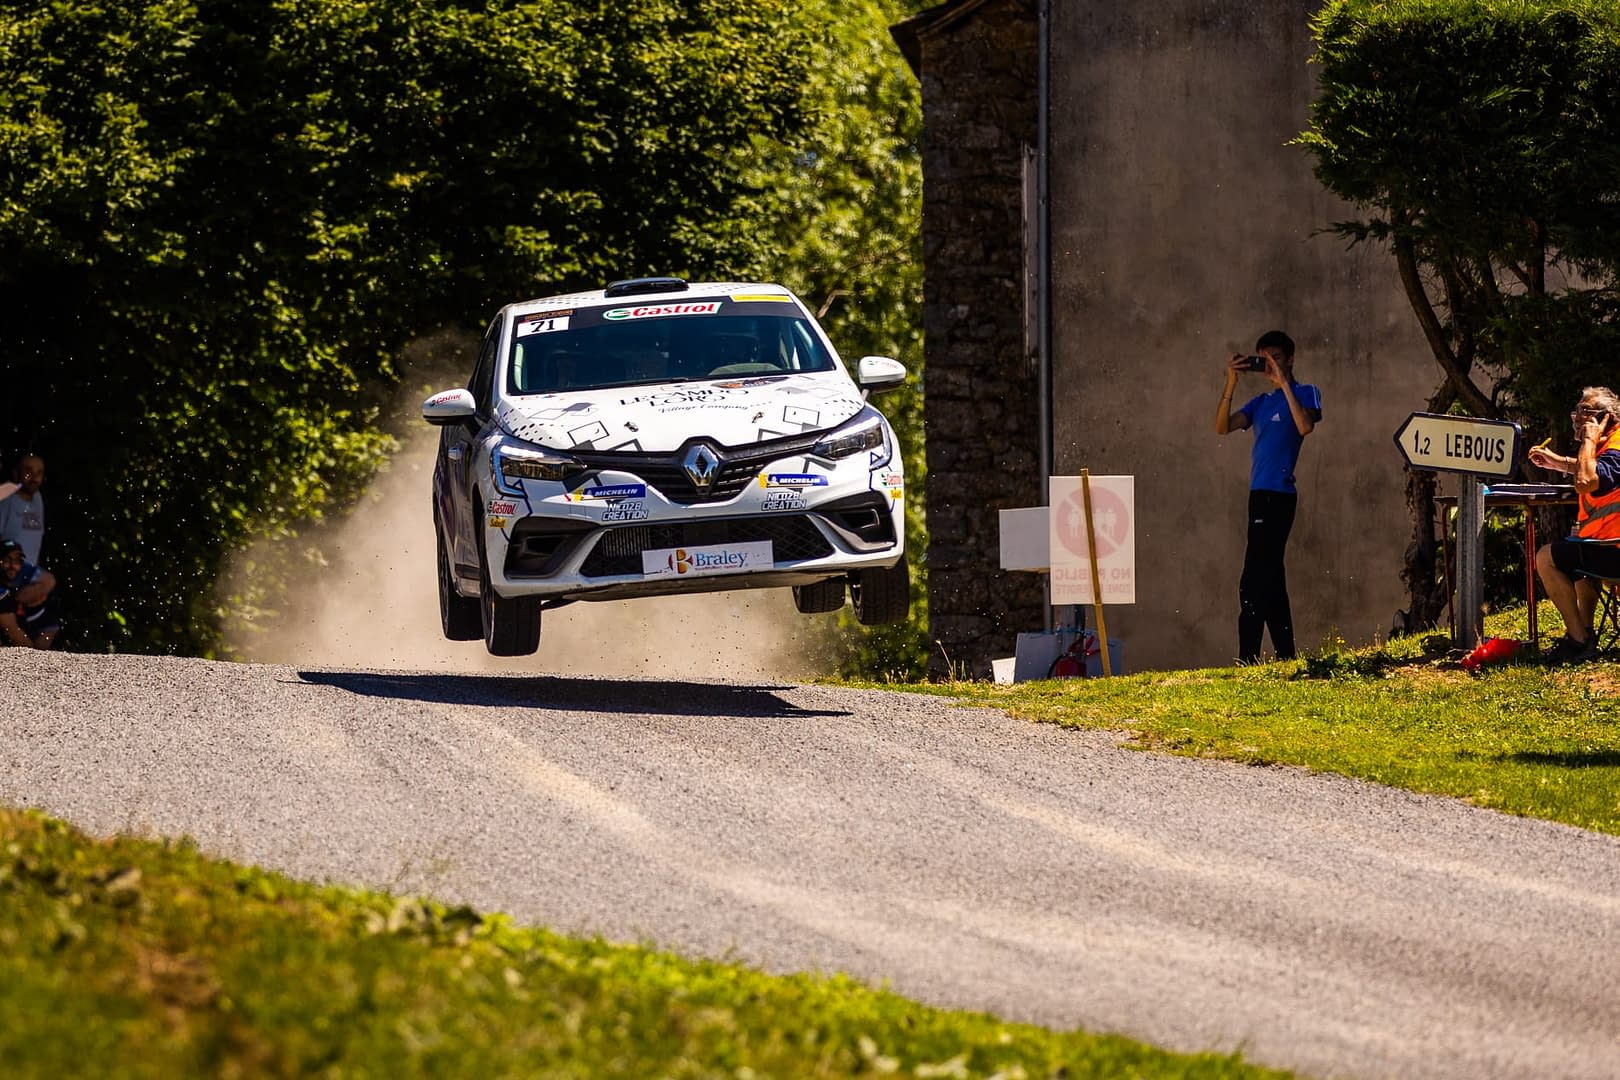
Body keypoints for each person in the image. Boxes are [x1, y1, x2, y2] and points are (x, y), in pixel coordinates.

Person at [1215, 330, 1323, 663]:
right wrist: (1231, 382)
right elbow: (1222, 427)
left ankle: (1246, 657)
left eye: (1275, 357)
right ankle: (1286, 655)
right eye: (1264, 358)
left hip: (1279, 496)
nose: (1269, 364)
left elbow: (1304, 426)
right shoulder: (1259, 403)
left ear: (1290, 359)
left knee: (1253, 579)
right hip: (1257, 495)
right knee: (1272, 578)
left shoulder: (1306, 393)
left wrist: (1283, 383)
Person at [1527, 386, 1620, 662]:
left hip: (1613, 549)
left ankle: (1578, 640)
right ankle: (1587, 633)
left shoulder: (1614, 447)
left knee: (1546, 558)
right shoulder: (1612, 446)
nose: (1578, 418)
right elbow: (1596, 470)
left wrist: (1589, 441)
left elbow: (1586, 480)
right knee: (1577, 554)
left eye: (1586, 412)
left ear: (1608, 418)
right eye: (1577, 411)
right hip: (1603, 545)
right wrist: (1558, 464)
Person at [0, 538, 59, 649]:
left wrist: (20, 599)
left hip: (20, 620)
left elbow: (49, 580)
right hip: (9, 627)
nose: (13, 565)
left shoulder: (22, 570)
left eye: (17, 561)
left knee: (48, 615)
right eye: (7, 560)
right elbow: (11, 629)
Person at [0, 453, 46, 566]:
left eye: (39, 472)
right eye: (28, 471)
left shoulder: (37, 498)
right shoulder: (6, 498)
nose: (34, 477)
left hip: (27, 572)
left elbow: (35, 539)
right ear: (16, 473)